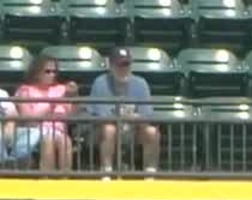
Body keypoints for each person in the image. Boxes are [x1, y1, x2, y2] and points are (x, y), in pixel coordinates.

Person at [88, 48, 160, 176]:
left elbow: (147, 116)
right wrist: (124, 116)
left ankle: (150, 173)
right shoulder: (100, 83)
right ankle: (106, 172)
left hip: (133, 129)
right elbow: (101, 117)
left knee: (152, 132)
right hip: (102, 132)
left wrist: (132, 117)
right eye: (119, 65)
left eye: (126, 64)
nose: (123, 69)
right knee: (109, 129)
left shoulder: (141, 83)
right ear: (110, 66)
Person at [14, 54, 75, 172]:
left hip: (59, 130)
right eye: (48, 71)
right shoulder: (25, 90)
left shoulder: (61, 89)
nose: (52, 75)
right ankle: (47, 180)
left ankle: (65, 180)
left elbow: (71, 115)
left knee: (65, 141)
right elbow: (28, 118)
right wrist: (52, 103)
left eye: (54, 71)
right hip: (35, 132)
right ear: (37, 72)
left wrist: (74, 96)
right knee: (49, 140)